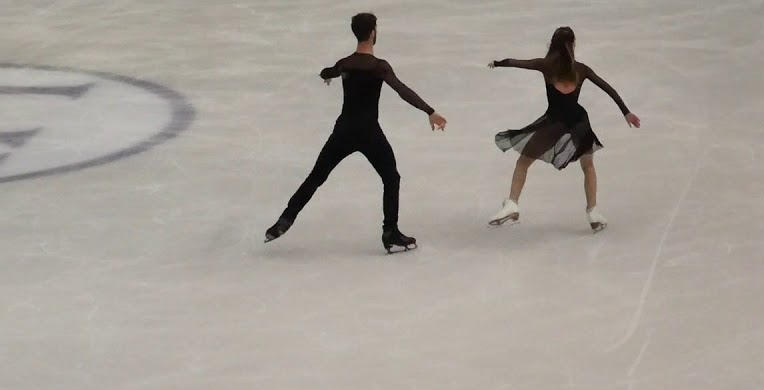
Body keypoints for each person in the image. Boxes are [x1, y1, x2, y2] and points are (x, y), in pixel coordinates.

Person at [265, 13, 447, 253]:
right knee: (391, 178)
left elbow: (326, 71)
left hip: (343, 131)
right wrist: (430, 111)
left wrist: (328, 76)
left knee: (316, 176)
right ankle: (390, 231)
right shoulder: (378, 66)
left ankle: (283, 221)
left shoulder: (345, 63)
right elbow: (402, 90)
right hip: (369, 132)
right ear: (372, 32)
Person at [485, 27, 640, 233]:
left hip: (554, 123)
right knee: (588, 166)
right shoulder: (581, 70)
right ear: (573, 45)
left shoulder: (546, 66)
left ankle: (512, 204)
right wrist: (626, 112)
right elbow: (609, 89)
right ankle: (593, 212)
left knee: (523, 162)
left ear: (552, 44)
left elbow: (517, 62)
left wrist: (497, 63)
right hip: (578, 122)